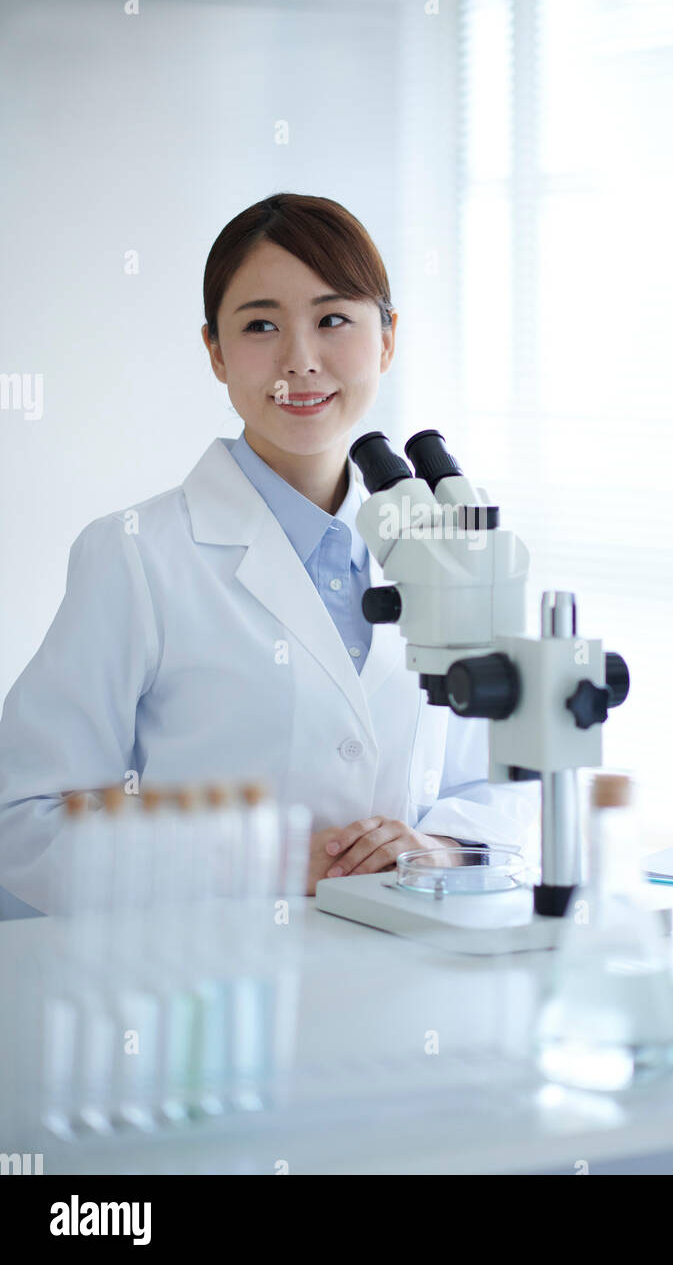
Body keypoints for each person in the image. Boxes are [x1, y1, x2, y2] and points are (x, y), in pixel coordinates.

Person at [0, 193, 539, 918]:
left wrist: (441, 847)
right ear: (216, 352)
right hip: (213, 971)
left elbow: (502, 781)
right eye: (261, 325)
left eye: (333, 319)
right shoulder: (134, 556)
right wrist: (267, 862)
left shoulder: (448, 551)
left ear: (387, 339)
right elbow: (24, 821)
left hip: (409, 960)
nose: (300, 361)